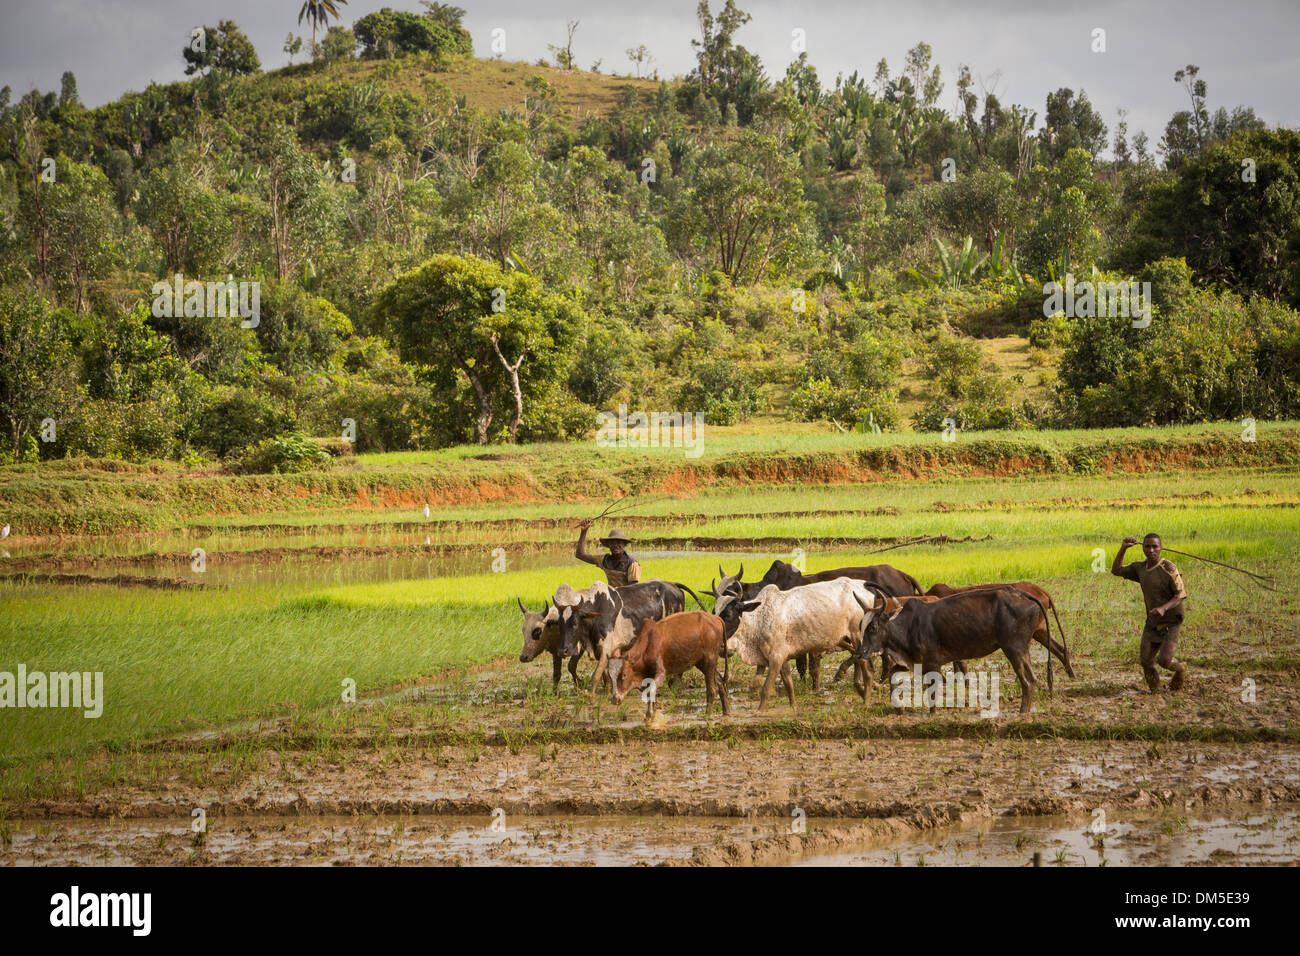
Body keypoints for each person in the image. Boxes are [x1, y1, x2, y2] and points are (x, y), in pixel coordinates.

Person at [1111, 533, 1189, 692]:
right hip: (1152, 622)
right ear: (1143, 548)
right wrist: (1123, 548)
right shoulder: (1139, 568)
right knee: (1145, 661)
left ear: (1161, 548)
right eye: (1147, 546)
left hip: (1172, 620)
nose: (1151, 550)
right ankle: (1156, 692)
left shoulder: (1168, 568)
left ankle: (1180, 668)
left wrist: (1163, 608)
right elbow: (1116, 570)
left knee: (1165, 661)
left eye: (1155, 546)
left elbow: (1181, 594)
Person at [575, 518, 641, 587]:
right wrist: (583, 532)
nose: (615, 545)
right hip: (611, 595)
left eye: (619, 542)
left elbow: (633, 590)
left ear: (624, 544)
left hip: (626, 596)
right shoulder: (605, 560)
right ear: (608, 545)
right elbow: (580, 554)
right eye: (612, 542)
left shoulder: (632, 564)